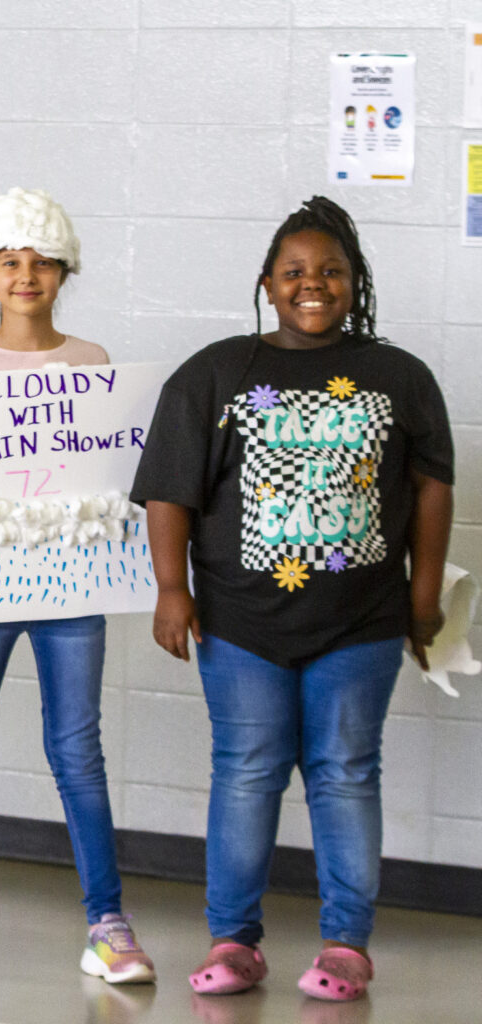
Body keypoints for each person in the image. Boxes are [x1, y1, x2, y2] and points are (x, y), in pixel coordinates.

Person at [131, 196, 453, 1003]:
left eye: (332, 271)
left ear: (355, 283)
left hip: (362, 624)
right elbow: (169, 490)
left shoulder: (400, 377)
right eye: (295, 272)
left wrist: (423, 600)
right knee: (247, 772)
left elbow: (431, 488)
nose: (314, 284)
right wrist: (171, 589)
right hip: (241, 625)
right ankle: (234, 941)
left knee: (346, 774)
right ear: (267, 284)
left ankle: (346, 946)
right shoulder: (214, 373)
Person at [0, 189, 154, 985]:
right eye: (11, 262)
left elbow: (113, 466)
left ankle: (107, 922)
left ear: (64, 272)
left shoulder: (93, 363)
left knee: (78, 750)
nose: (26, 275)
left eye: (43, 261)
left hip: (72, 584)